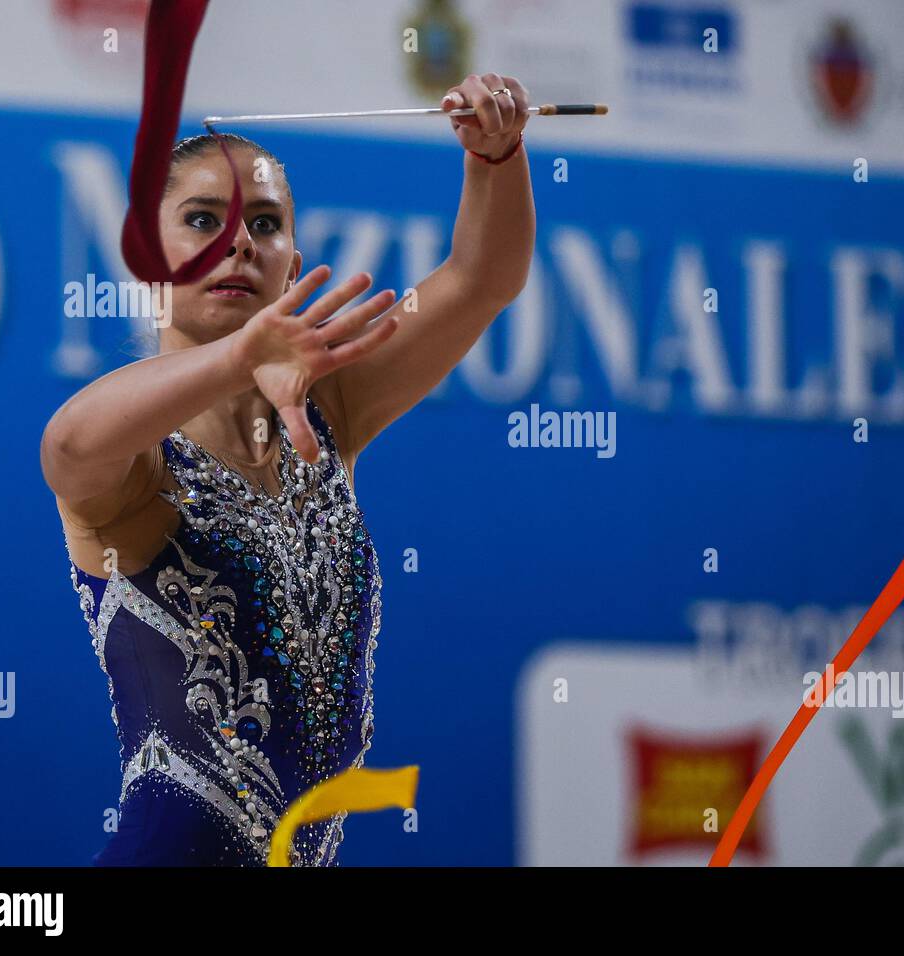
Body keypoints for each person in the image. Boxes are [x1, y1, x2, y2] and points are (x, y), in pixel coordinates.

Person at [41, 74, 535, 865]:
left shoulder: (333, 408)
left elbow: (480, 281)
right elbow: (68, 445)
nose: (238, 242)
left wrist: (497, 156)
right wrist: (240, 357)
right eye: (204, 220)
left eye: (263, 224)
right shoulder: (137, 461)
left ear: (291, 260)